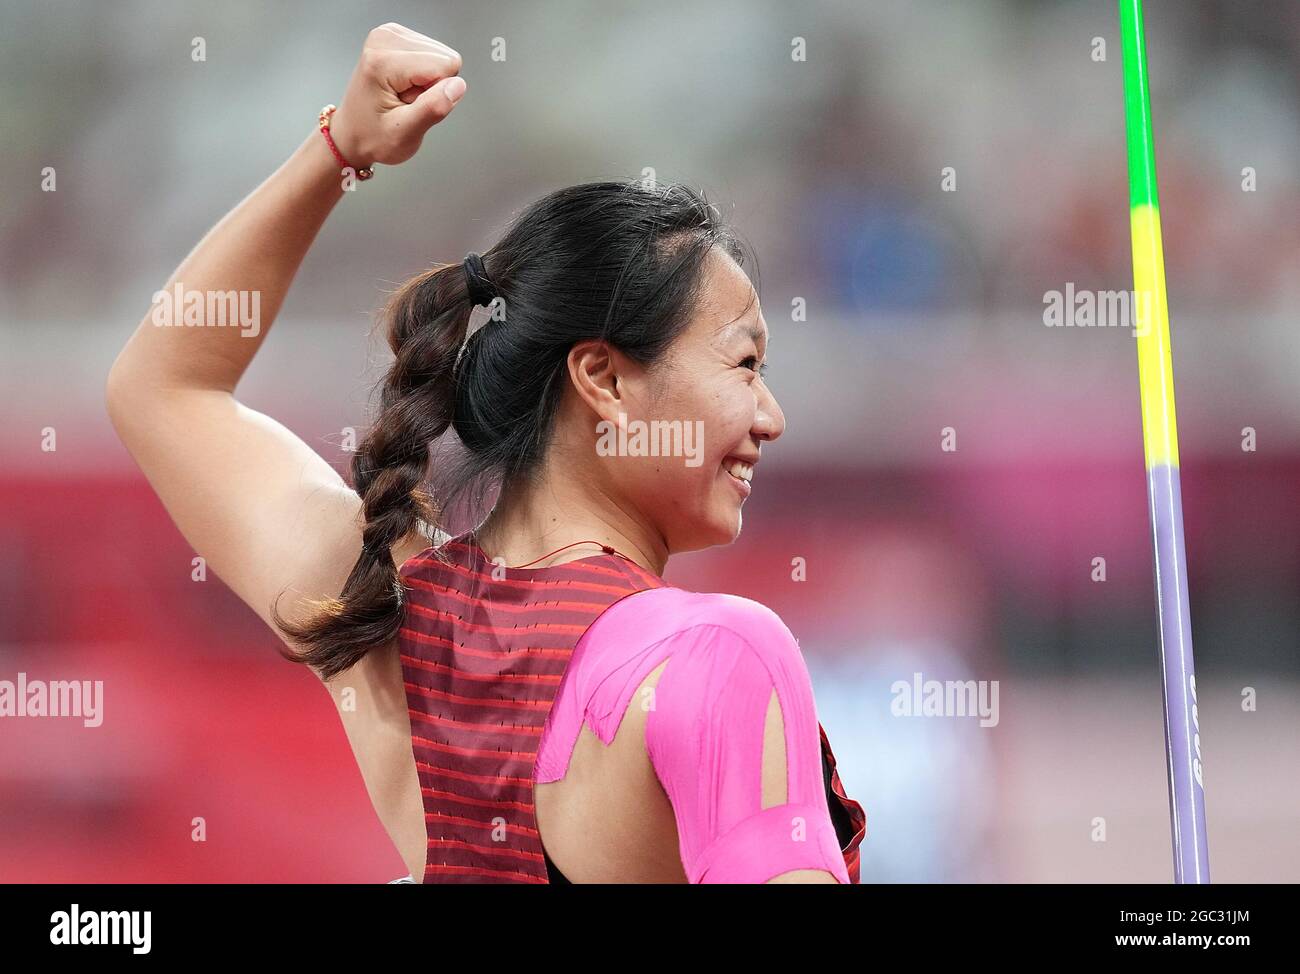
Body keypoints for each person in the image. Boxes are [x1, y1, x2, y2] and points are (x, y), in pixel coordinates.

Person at [106, 21, 864, 883]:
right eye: (745, 364)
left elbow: (164, 388)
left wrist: (336, 151)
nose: (773, 417)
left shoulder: (379, 609)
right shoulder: (720, 654)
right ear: (604, 379)